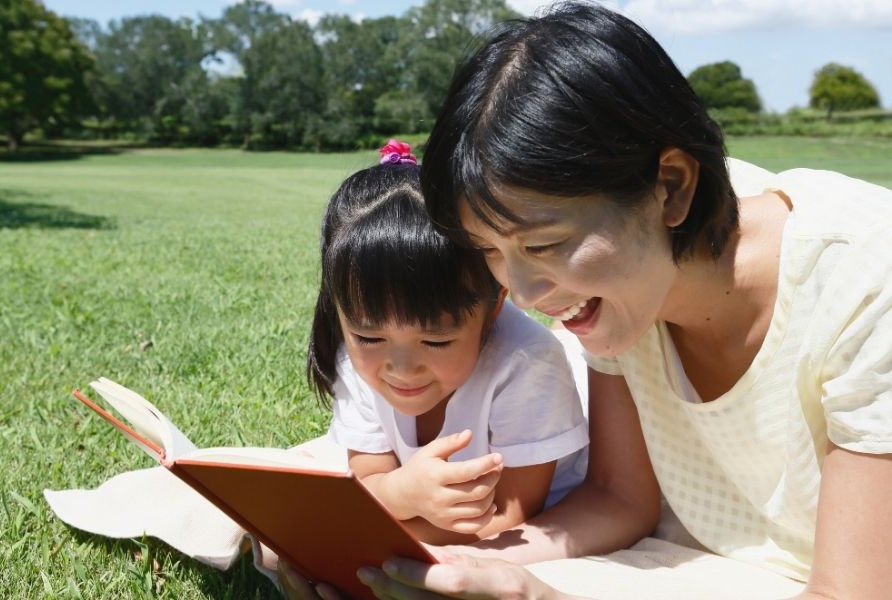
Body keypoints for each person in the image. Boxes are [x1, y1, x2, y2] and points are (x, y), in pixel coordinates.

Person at [338, 3, 892, 600]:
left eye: (544, 245)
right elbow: (617, 497)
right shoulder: (627, 287)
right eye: (489, 250)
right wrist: (445, 563)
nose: (522, 294)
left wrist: (543, 597)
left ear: (672, 187)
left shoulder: (864, 280)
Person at [303, 140, 589, 547]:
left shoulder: (529, 363)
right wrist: (399, 492)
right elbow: (368, 478)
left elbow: (511, 515)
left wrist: (364, 544)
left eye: (435, 341)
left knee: (574, 351)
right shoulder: (357, 360)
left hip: (563, 429)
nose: (402, 368)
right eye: (369, 336)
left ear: (494, 307)